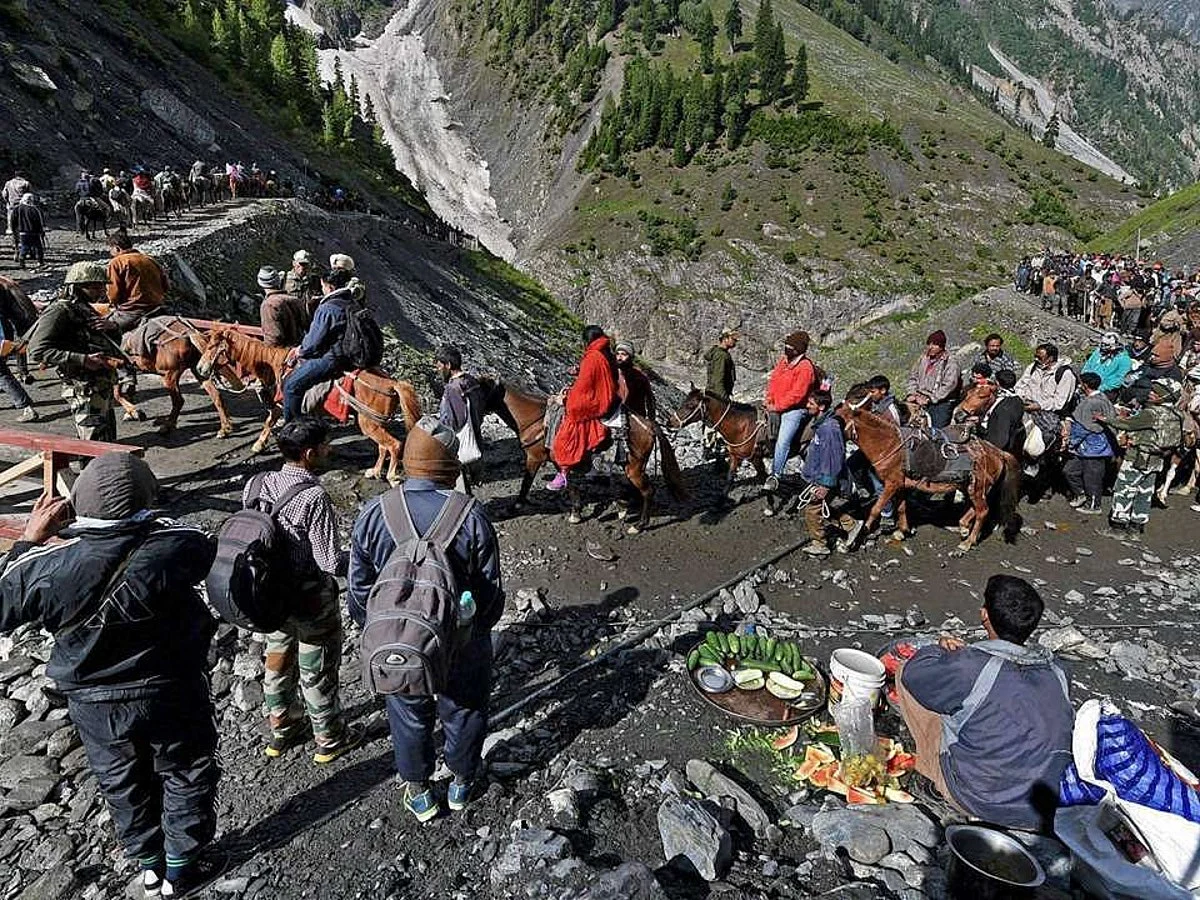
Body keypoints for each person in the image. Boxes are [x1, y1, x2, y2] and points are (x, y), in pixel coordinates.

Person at [0, 454, 222, 897]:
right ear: (147, 495)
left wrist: (26, 542)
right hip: (170, 686)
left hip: (93, 701)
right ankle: (182, 867)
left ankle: (149, 867)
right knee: (186, 771)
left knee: (121, 781)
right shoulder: (179, 544)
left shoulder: (45, 565)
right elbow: (221, 559)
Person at [348, 417, 504, 822]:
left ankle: (418, 790)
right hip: (460, 637)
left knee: (407, 708)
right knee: (466, 706)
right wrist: (478, 628)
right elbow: (490, 591)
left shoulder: (374, 512)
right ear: (450, 466)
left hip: (400, 639)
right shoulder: (471, 515)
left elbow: (359, 588)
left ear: (408, 462)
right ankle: (461, 782)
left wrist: (379, 626)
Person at [897, 575, 1072, 830]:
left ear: (984, 615)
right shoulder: (1059, 670)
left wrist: (940, 650)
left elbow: (916, 673)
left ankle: (930, 779)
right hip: (1040, 807)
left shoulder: (971, 667)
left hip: (977, 799)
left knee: (906, 673)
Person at [247, 418, 362, 763]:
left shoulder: (257, 483)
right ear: (310, 453)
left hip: (268, 594)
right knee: (317, 667)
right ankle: (330, 737)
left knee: (277, 660)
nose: (331, 450)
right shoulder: (313, 496)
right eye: (326, 445)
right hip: (309, 597)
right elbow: (328, 562)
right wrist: (363, 556)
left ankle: (282, 729)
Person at [26, 262, 119, 441]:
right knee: (92, 444)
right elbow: (36, 351)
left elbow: (108, 342)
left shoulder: (84, 308)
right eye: (96, 287)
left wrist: (112, 327)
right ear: (78, 287)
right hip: (83, 388)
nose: (102, 291)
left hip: (101, 387)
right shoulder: (59, 311)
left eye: (103, 286)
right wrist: (82, 359)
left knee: (107, 441)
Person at [1099, 379, 1183, 537]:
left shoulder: (1150, 413)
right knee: (1144, 493)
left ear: (1165, 396)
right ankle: (1136, 528)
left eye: (1156, 392)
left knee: (1124, 490)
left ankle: (1118, 527)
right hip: (1157, 460)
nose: (1151, 393)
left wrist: (1105, 419)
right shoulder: (1177, 414)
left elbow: (1126, 424)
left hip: (1137, 458)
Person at [282, 265, 357, 423]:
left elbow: (312, 345)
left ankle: (294, 427)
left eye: (323, 286)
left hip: (332, 359)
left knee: (290, 386)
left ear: (329, 286)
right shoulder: (351, 303)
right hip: (351, 356)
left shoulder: (327, 308)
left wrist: (299, 351)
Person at [790, 390, 860, 556]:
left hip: (823, 479)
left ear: (821, 407)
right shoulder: (823, 425)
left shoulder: (828, 429)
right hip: (818, 476)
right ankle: (851, 525)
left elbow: (832, 458)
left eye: (811, 404)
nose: (807, 406)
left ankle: (820, 544)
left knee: (812, 511)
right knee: (822, 507)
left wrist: (825, 484)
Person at [548, 325, 618, 491]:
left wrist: (565, 398)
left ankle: (564, 471)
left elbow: (583, 388)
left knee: (567, 429)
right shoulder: (605, 352)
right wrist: (579, 371)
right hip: (609, 398)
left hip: (594, 401)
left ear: (587, 340)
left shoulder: (592, 357)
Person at [764, 330, 819, 492]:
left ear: (799, 349)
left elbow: (798, 394)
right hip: (775, 404)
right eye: (786, 345)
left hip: (796, 409)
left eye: (790, 347)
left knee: (783, 440)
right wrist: (769, 399)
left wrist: (777, 406)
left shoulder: (805, 367)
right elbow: (774, 380)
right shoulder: (784, 361)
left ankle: (775, 475)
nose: (786, 349)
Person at [1062, 372, 1116, 515]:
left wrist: (1069, 443)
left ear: (1085, 385)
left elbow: (1082, 428)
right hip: (1088, 447)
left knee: (1092, 478)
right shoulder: (1103, 398)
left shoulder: (1089, 403)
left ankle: (1093, 505)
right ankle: (1081, 494)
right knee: (1070, 471)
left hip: (1093, 448)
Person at [1016, 343, 1077, 454]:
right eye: (1036, 356)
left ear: (1050, 358)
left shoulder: (1065, 374)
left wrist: (1039, 405)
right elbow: (1021, 385)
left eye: (1040, 357)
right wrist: (1022, 397)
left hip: (1049, 413)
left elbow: (1059, 402)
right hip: (1026, 407)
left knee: (1036, 446)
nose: (1036, 359)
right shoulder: (1033, 367)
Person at [106, 231, 169, 331]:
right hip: (157, 307)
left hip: (133, 311)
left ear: (117, 248)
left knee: (102, 330)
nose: (110, 253)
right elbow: (166, 286)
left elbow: (113, 293)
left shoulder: (116, 262)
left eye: (111, 249)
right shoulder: (150, 259)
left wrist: (112, 304)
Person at [905, 330, 960, 429]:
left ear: (942, 346)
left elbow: (949, 384)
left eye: (935, 344)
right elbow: (913, 377)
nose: (931, 347)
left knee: (936, 432)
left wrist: (930, 399)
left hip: (940, 401)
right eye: (929, 344)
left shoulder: (950, 362)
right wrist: (912, 393)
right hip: (918, 396)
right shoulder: (923, 358)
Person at [0, 276, 37, 422]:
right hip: (5, 332)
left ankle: (25, 406)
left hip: (2, 335)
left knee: (1, 373)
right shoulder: (4, 286)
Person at [256, 266, 308, 348]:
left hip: (282, 354)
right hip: (299, 350)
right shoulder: (295, 300)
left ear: (261, 284)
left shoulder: (269, 305)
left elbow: (273, 338)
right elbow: (305, 324)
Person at [978, 369, 1025, 455]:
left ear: (998, 384)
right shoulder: (1018, 400)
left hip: (992, 444)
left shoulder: (1004, 407)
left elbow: (1001, 437)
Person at [1081, 331, 1133, 397]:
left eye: (1106, 345)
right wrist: (1084, 380)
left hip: (1106, 389)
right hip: (1088, 384)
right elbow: (1088, 365)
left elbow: (1119, 379)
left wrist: (1100, 388)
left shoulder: (1124, 360)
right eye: (1102, 344)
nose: (1103, 347)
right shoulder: (1098, 352)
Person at [614, 339, 656, 418]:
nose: (619, 357)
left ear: (630, 357)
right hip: (615, 417)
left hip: (635, 418)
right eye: (617, 354)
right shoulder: (611, 374)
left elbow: (650, 400)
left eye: (623, 354)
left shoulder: (640, 377)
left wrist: (651, 419)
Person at [285, 250, 323, 317]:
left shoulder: (315, 280)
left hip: (309, 318)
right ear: (294, 263)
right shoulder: (284, 278)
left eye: (305, 265)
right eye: (300, 264)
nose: (303, 268)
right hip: (291, 317)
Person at [704, 327, 738, 400]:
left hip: (713, 395)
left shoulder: (720, 353)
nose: (735, 342)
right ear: (725, 339)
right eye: (733, 339)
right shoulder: (721, 355)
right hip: (716, 397)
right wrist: (724, 399)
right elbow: (718, 379)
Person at [12, 193, 44, 268]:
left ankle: (21, 258)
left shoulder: (17, 209)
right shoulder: (34, 209)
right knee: (38, 247)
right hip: (34, 232)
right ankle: (40, 262)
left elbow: (13, 221)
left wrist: (14, 230)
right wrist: (41, 231)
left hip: (22, 232)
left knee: (25, 246)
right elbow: (38, 222)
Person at [2, 170, 30, 241]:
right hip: (23, 206)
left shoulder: (8, 183)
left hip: (12, 205)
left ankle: (14, 239)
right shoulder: (26, 183)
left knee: (12, 223)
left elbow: (4, 194)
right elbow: (29, 195)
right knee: (23, 222)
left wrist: (7, 202)